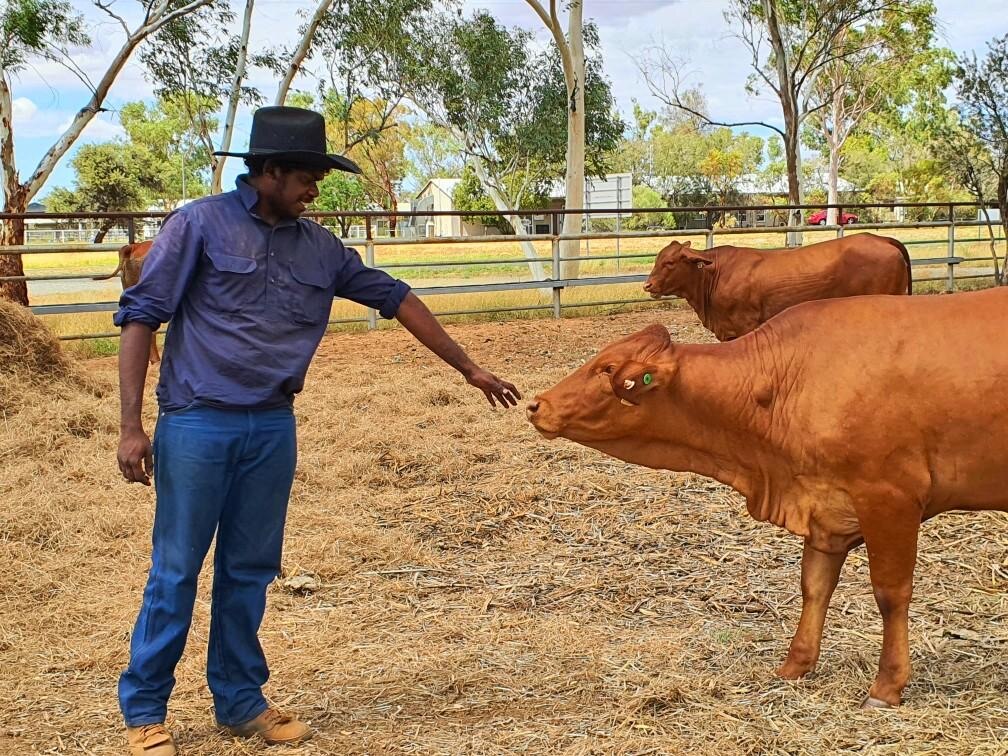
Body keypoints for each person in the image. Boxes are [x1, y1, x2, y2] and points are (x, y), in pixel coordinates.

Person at [114, 106, 521, 756]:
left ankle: (240, 702)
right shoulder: (198, 224)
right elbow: (141, 317)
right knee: (177, 569)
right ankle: (144, 710)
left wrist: (469, 367)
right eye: (307, 175)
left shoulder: (321, 249)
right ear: (270, 172)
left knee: (249, 570)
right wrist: (132, 425)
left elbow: (397, 297)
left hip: (272, 427)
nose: (316, 188)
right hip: (197, 423)